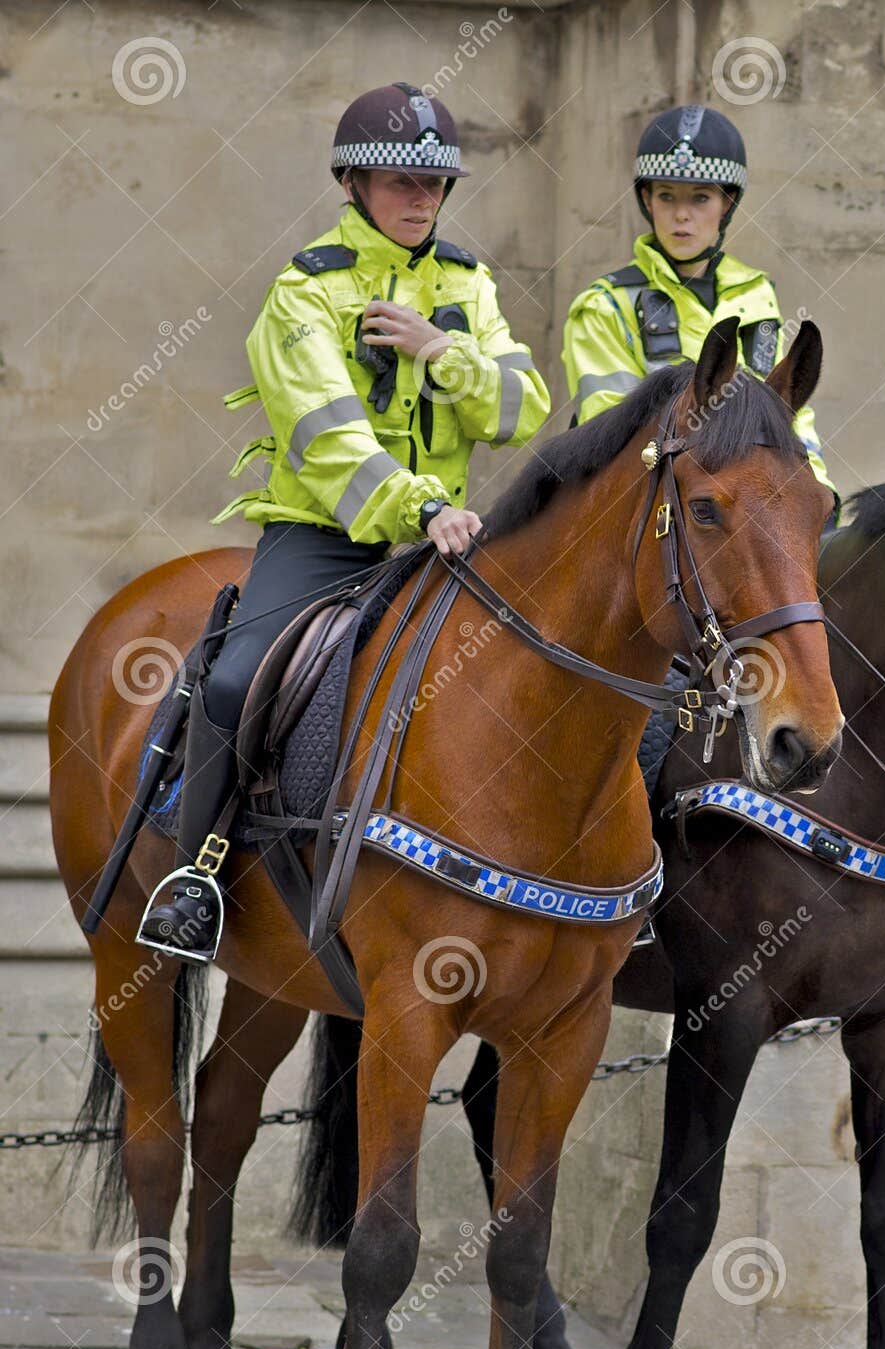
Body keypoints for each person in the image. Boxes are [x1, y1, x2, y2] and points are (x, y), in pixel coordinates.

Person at [138, 82, 551, 963]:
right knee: (234, 678)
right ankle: (196, 878)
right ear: (353, 183)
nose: (421, 199)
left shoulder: (469, 286)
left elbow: (521, 409)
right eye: (402, 181)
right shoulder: (304, 292)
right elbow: (326, 439)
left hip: (445, 538)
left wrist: (442, 351)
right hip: (329, 536)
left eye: (434, 183)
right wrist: (420, 507)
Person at [562, 104, 838, 514]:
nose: (682, 215)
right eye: (666, 196)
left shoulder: (757, 295)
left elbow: (788, 416)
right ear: (646, 200)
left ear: (727, 203)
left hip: (743, 507)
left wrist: (816, 490)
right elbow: (612, 439)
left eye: (701, 198)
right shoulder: (605, 305)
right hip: (649, 512)